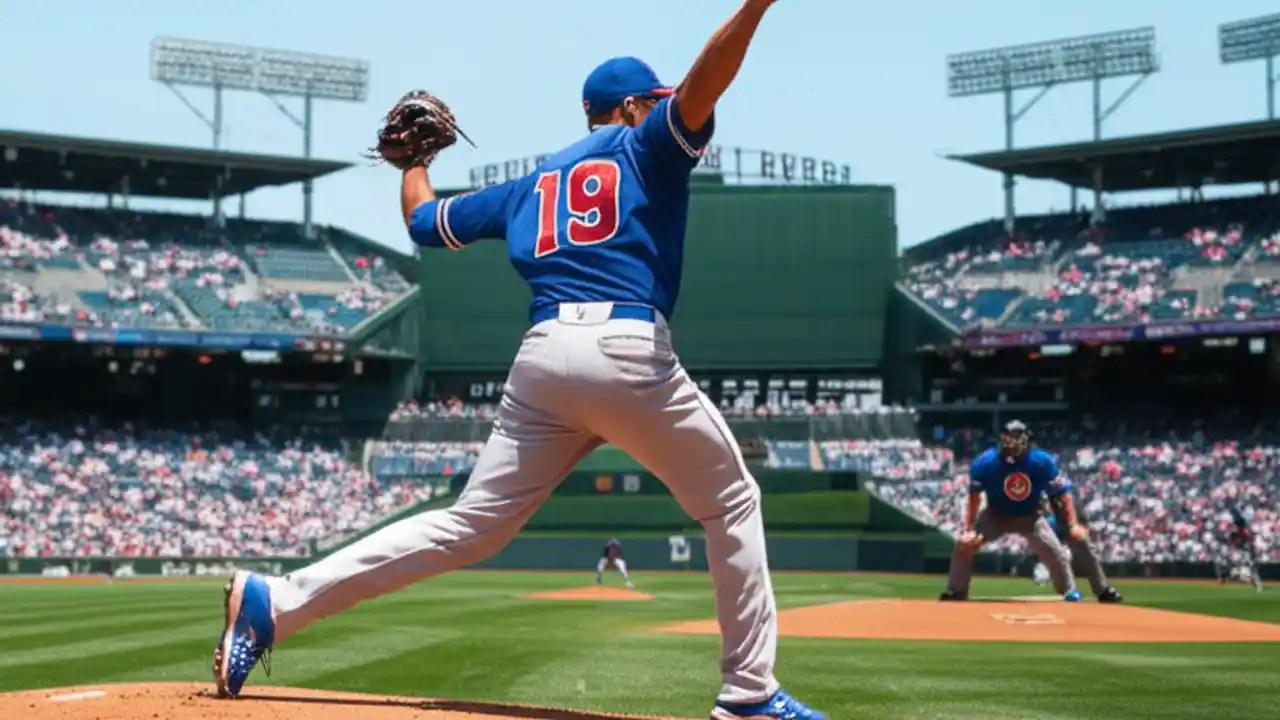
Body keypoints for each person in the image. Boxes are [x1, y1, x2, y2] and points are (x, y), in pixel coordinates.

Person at [212, 2, 826, 718]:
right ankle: (749, 695)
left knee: (471, 525)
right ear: (631, 108)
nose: (663, 108)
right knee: (732, 500)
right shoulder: (647, 144)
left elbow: (423, 222)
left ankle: (276, 601)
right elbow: (703, 83)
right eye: (652, 102)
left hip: (542, 363)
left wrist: (414, 163)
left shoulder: (528, 186)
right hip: (624, 349)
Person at [940, 420, 1083, 602]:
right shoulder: (986, 462)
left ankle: (1069, 589)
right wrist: (969, 529)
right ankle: (956, 590)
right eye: (1011, 436)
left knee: (1054, 550)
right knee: (964, 544)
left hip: (1029, 515)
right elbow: (974, 498)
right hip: (996, 514)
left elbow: (1059, 492)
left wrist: (1070, 522)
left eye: (1018, 436)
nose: (1015, 442)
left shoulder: (1040, 461)